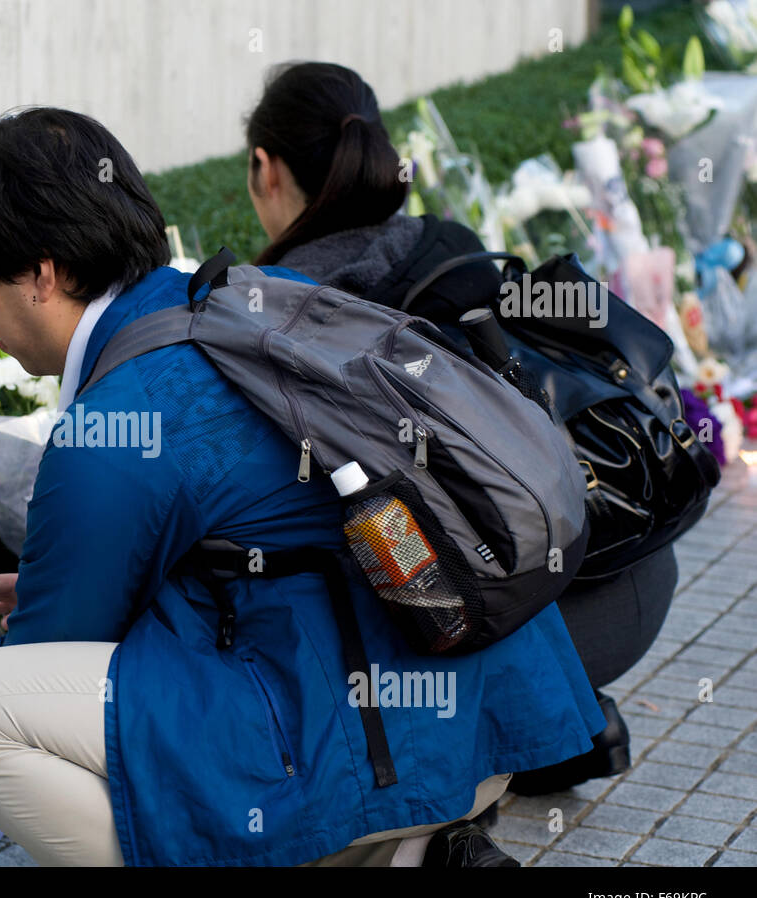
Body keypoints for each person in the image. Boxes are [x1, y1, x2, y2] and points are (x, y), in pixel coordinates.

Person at [0, 106, 606, 866]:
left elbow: (45, 659)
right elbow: (273, 531)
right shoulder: (247, 299)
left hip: (387, 753)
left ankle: (358, 852)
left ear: (41, 276)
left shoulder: (114, 424)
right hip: (485, 718)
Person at [243, 60, 679, 794]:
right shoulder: (449, 243)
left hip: (517, 626)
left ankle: (488, 749)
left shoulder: (297, 312)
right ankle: (553, 723)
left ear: (265, 167)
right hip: (636, 571)